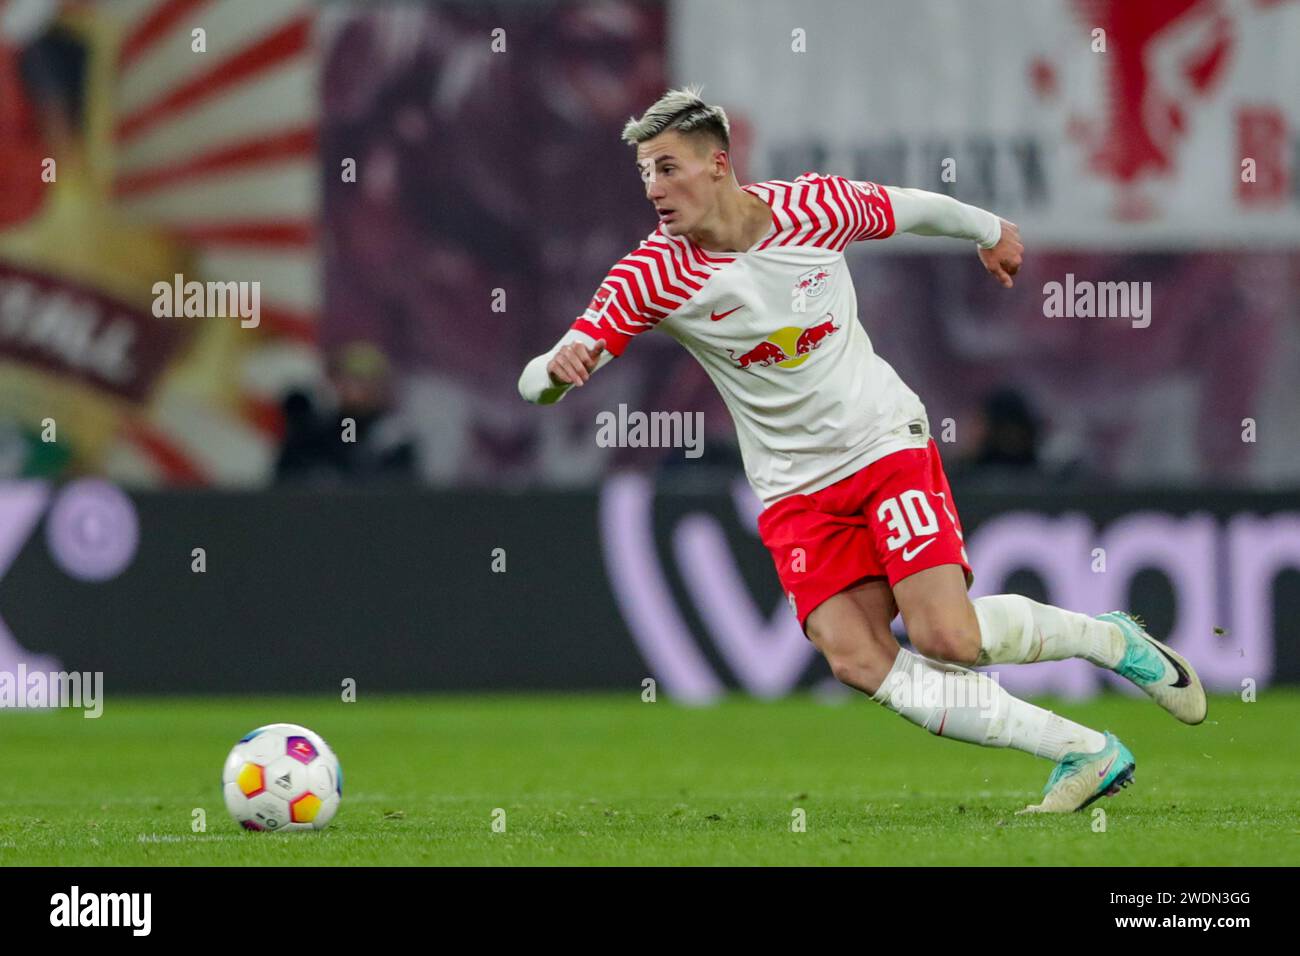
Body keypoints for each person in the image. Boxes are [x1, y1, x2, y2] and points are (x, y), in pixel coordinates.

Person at [517, 87, 1206, 814]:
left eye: (668, 168)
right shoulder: (650, 275)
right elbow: (546, 370)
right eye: (645, 175)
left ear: (718, 164)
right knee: (855, 658)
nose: (655, 188)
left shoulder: (814, 208)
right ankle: (1084, 750)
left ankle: (1110, 641)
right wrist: (555, 377)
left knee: (948, 637)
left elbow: (911, 207)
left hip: (881, 443)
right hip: (792, 490)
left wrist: (987, 228)